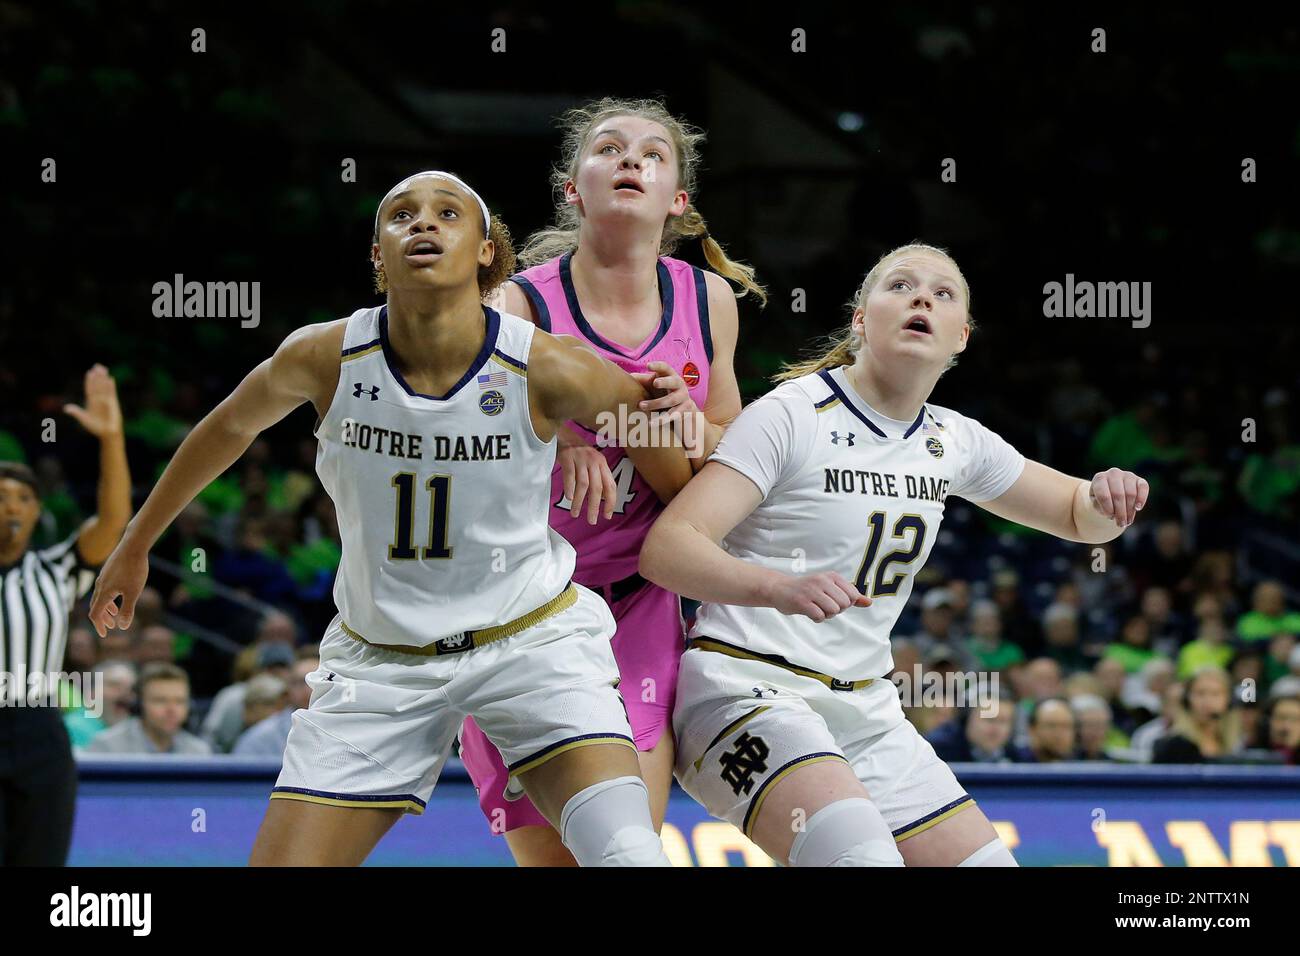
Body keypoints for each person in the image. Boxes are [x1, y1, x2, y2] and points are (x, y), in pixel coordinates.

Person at [89, 170, 694, 866]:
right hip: (382, 664)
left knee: (628, 854)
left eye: (447, 214)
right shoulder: (325, 355)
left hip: (529, 647)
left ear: (486, 252)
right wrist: (136, 547)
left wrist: (622, 443)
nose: (423, 224)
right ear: (378, 254)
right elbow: (227, 429)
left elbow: (654, 444)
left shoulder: (550, 368)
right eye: (401, 215)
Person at [641, 243, 1149, 866]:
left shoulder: (953, 439)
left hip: (865, 711)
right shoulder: (792, 414)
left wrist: (1108, 498)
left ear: (960, 336)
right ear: (859, 318)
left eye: (942, 294)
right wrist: (774, 587)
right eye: (901, 285)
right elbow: (667, 549)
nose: (921, 299)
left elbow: (1078, 515)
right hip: (745, 690)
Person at [458, 97, 762, 865]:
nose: (632, 161)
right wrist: (555, 435)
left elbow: (737, 446)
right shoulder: (520, 302)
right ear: (574, 186)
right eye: (610, 149)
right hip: (525, 613)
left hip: (637, 608)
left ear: (678, 201)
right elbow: (459, 431)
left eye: (654, 155)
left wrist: (688, 426)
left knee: (626, 854)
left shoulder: (707, 299)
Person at [0, 365, 131, 864]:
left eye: (23, 497)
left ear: (38, 512)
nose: (11, 504)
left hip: (38, 729)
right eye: (1, 495)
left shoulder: (57, 569)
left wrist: (111, 438)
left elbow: (114, 519)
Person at [84, 663, 211, 755]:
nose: (171, 709)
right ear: (139, 704)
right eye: (160, 700)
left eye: (179, 701)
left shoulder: (199, 751)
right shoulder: (106, 747)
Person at [1151, 666, 1244, 763]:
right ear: (1187, 700)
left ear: (1229, 701)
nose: (1207, 701)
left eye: (1216, 693)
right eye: (1200, 693)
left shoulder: (1234, 743)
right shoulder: (1172, 746)